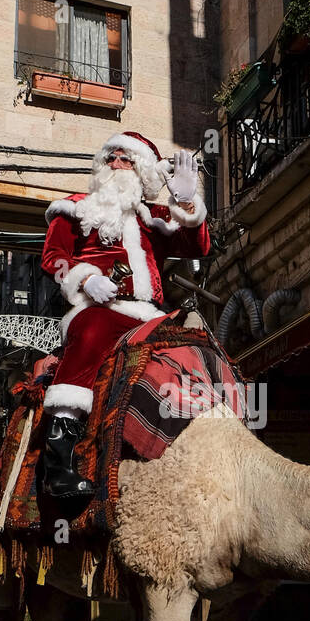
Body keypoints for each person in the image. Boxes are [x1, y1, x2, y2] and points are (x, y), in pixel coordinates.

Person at [39, 131, 210, 503]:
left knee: (198, 343)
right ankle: (59, 466)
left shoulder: (155, 219)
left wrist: (185, 200)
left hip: (149, 315)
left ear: (143, 172)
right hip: (99, 309)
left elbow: (198, 246)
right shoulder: (75, 209)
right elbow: (53, 259)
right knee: (90, 329)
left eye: (126, 160)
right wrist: (87, 279)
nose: (116, 165)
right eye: (111, 158)